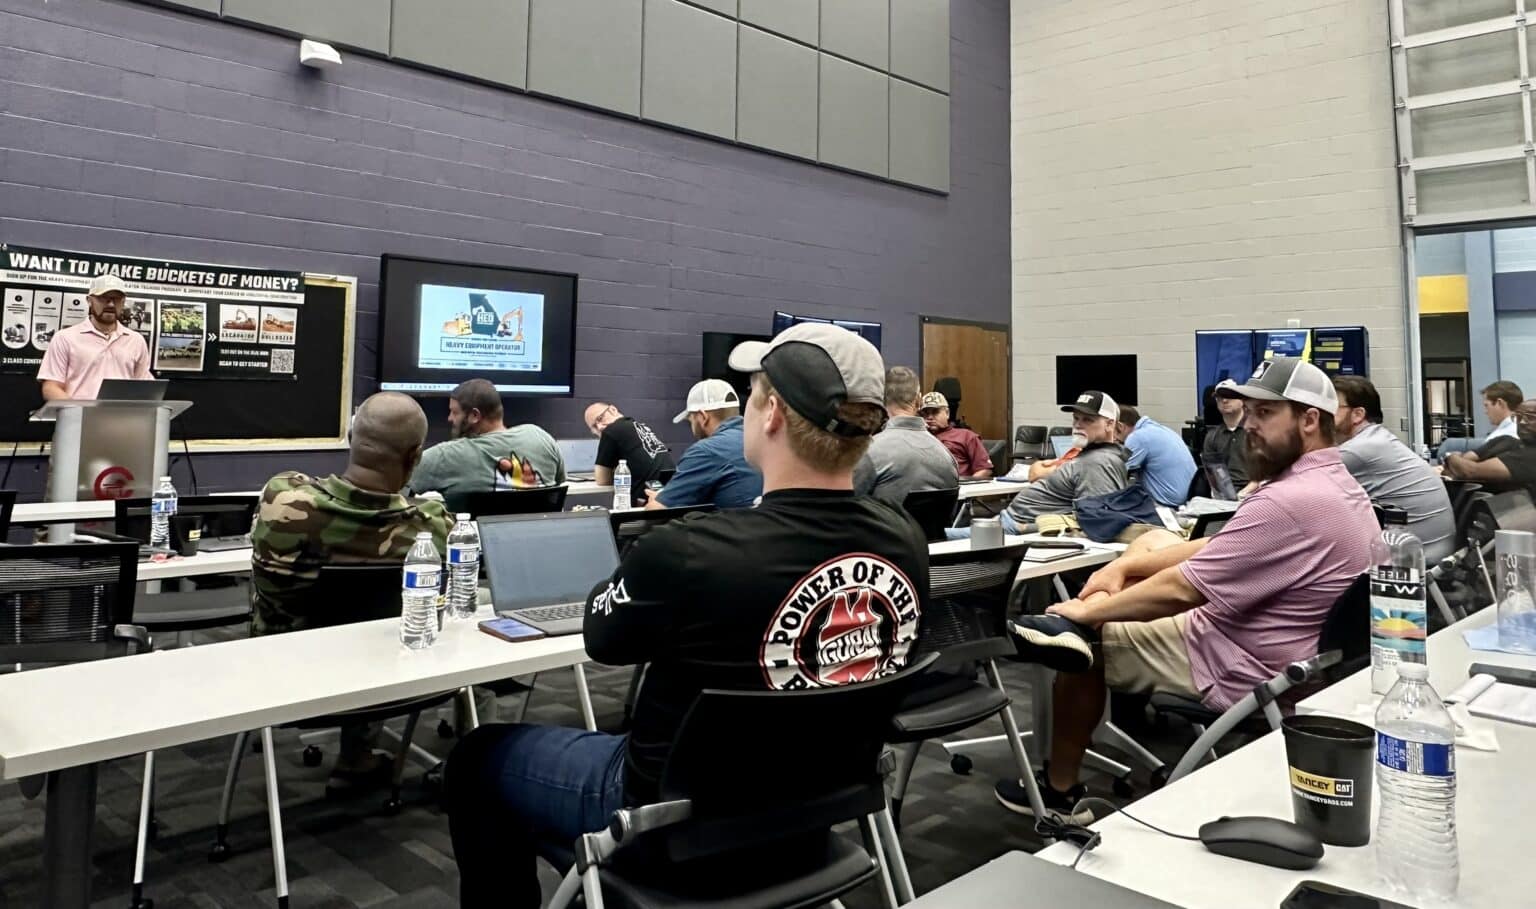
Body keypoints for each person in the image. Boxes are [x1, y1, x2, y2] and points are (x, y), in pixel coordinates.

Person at [443, 324, 929, 908]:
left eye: (750, 395)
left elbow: (605, 638)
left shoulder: (690, 550)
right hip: (814, 813)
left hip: (664, 824)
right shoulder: (904, 539)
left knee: (478, 758)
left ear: (771, 413)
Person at [1001, 358, 1377, 818]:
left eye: (1266, 414)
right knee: (1152, 546)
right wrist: (1125, 569)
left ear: (1309, 419)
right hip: (1298, 651)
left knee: (1084, 638)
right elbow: (1220, 543)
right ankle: (1109, 651)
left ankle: (1059, 792)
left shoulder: (1290, 500)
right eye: (1250, 411)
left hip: (1244, 659)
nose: (1250, 425)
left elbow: (1182, 591)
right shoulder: (1335, 482)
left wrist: (1088, 612)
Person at [250, 392, 452, 788]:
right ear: (415, 457)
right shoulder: (433, 529)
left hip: (280, 674)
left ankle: (357, 757)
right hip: (386, 673)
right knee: (369, 632)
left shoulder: (284, 497)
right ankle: (356, 757)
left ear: (349, 438)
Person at [1333, 376, 1455, 563]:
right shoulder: (1376, 439)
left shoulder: (1360, 450)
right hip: (1433, 551)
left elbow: (1299, 478)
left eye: (1332, 406)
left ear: (1357, 414)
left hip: (1416, 561)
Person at [408, 378, 566, 513]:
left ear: (474, 415)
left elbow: (394, 484)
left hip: (474, 545)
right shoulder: (540, 437)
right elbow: (558, 483)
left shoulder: (446, 455)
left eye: (454, 412)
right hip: (539, 542)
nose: (450, 418)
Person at [990, 390, 1129, 534]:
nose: (1078, 425)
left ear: (1109, 424)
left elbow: (1096, 520)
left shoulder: (1097, 462)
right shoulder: (1090, 455)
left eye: (1088, 419)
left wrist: (1025, 528)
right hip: (1010, 522)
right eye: (1076, 418)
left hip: (1015, 528)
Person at [646, 378, 762, 510]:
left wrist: (657, 499)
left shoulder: (706, 451)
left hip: (735, 527)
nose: (691, 427)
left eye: (691, 420)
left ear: (703, 417)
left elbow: (657, 511)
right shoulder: (761, 438)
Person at [36, 274, 154, 401]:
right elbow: (51, 388)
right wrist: (80, 412)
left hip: (121, 418)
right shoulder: (65, 338)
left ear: (123, 302)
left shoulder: (136, 340)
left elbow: (144, 387)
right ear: (89, 300)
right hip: (77, 419)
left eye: (117, 299)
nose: (111, 304)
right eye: (104, 298)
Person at [853, 366, 959, 504]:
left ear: (881, 399)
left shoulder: (868, 452)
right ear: (919, 400)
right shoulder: (947, 457)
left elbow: (850, 508)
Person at [584, 401, 676, 504]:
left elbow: (602, 480)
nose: (600, 427)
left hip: (648, 502)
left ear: (613, 410)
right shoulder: (639, 426)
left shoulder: (611, 430)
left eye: (600, 418)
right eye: (594, 427)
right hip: (670, 494)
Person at [1444, 398, 1536, 495]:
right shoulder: (1505, 440)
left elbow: (1469, 471)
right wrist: (1455, 466)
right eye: (1518, 417)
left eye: (1530, 417)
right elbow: (1458, 466)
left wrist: (1451, 456)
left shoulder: (1531, 456)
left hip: (1509, 507)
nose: (1522, 422)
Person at [1116, 404, 1197, 507]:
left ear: (1120, 426)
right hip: (1190, 500)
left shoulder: (1137, 437)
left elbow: (1118, 472)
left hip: (1169, 505)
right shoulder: (1161, 429)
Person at [920, 392, 994, 478]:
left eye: (935, 412)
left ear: (947, 413)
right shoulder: (918, 437)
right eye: (925, 414)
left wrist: (965, 487)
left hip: (959, 487)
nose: (930, 417)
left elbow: (984, 469)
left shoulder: (966, 436)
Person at [1202, 378, 1249, 490]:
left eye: (1229, 396)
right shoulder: (1212, 436)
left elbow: (1266, 473)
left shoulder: (1255, 431)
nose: (1224, 401)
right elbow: (1213, 473)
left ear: (1242, 400)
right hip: (1226, 492)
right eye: (1220, 397)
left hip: (1255, 491)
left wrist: (1245, 493)